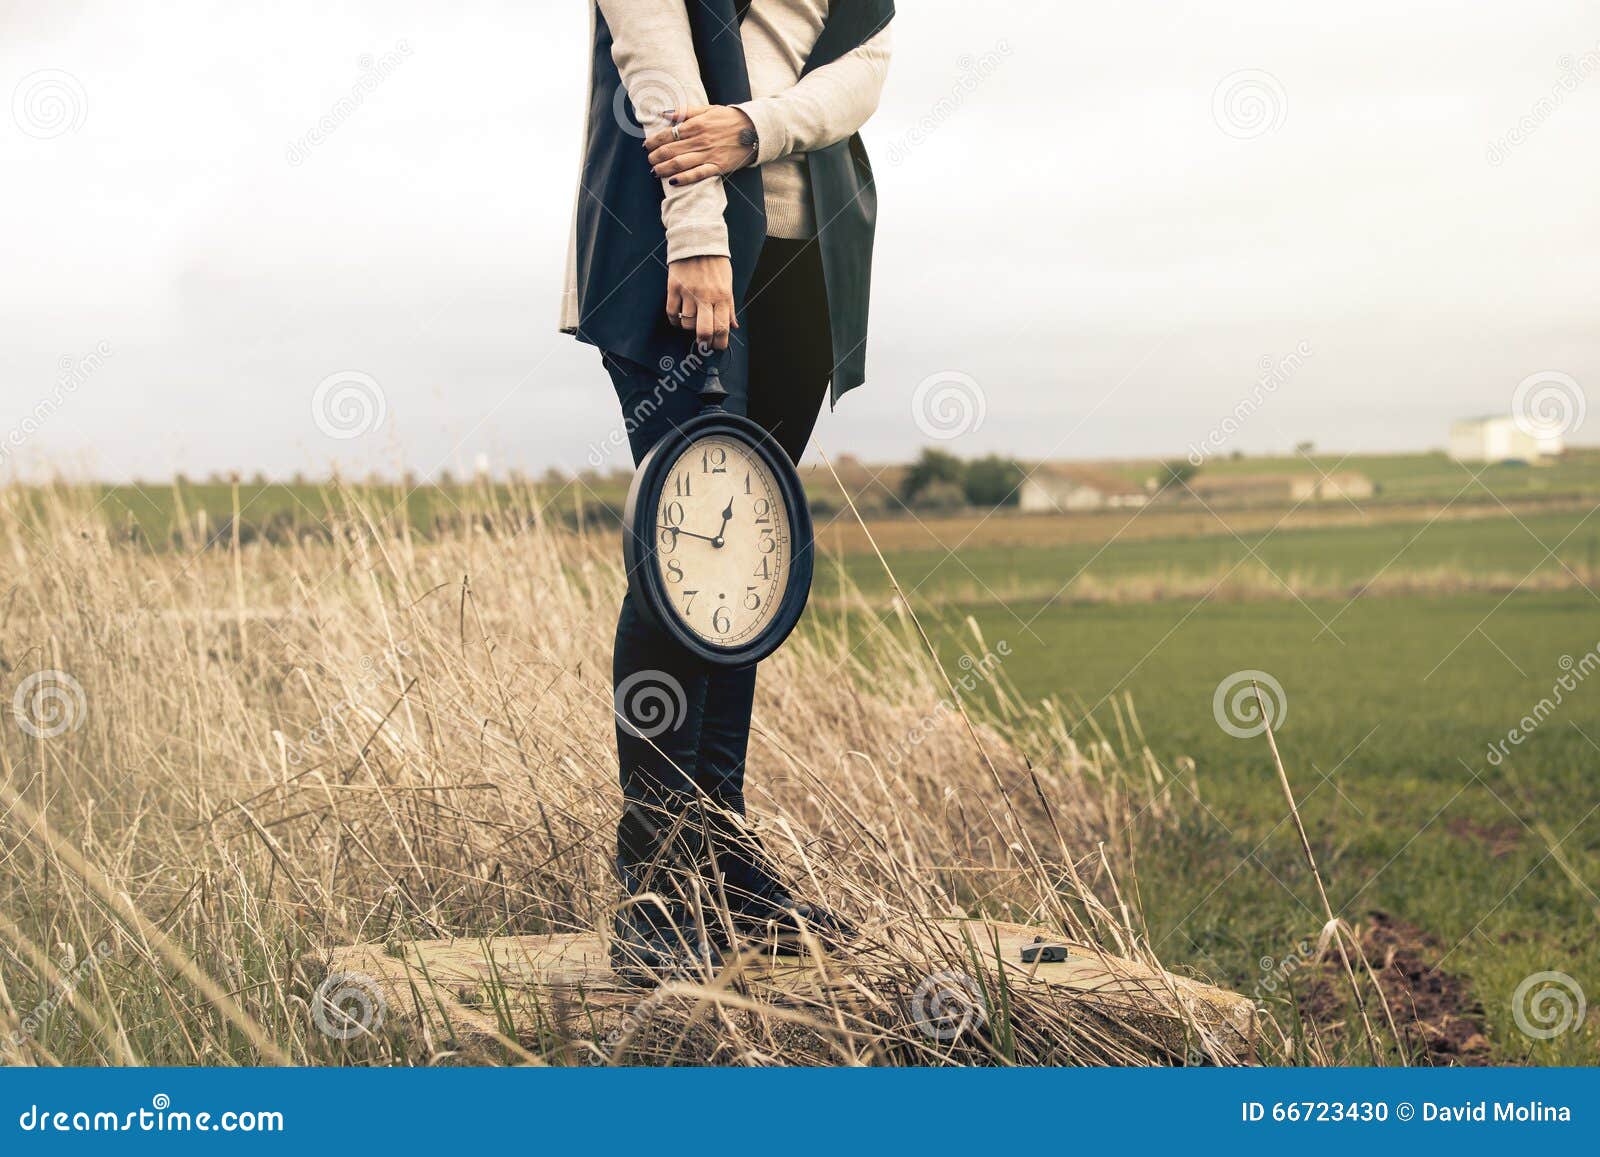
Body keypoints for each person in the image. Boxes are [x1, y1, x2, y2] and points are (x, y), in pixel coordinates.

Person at [562, 0, 894, 983]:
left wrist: (756, 129)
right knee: (686, 551)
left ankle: (725, 861)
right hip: (677, 244)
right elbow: (655, 55)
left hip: (807, 252)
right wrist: (697, 231)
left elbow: (866, 64)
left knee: (746, 555)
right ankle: (658, 885)